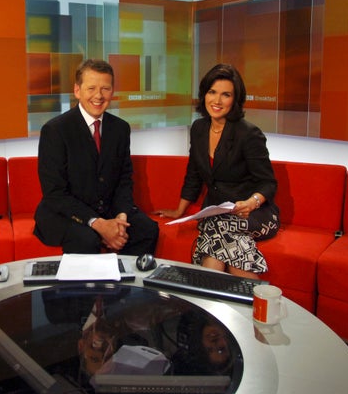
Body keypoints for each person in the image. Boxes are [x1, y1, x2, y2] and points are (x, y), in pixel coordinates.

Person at [155, 63, 279, 278]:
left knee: (217, 228)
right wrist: (179, 210)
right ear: (204, 94)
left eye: (226, 94)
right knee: (220, 228)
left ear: (235, 99)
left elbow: (268, 183)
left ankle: (207, 299)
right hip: (218, 211)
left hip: (255, 214)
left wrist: (252, 202)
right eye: (212, 92)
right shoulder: (199, 128)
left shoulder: (248, 134)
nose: (217, 101)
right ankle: (255, 299)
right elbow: (194, 173)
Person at [34, 59, 159, 255]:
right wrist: (98, 224)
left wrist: (121, 218)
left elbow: (124, 180)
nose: (98, 96)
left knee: (147, 230)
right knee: (87, 239)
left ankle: (125, 283)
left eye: (105, 89)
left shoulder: (120, 128)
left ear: (112, 91)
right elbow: (55, 193)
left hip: (109, 209)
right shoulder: (55, 130)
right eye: (91, 88)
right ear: (77, 90)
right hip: (66, 213)